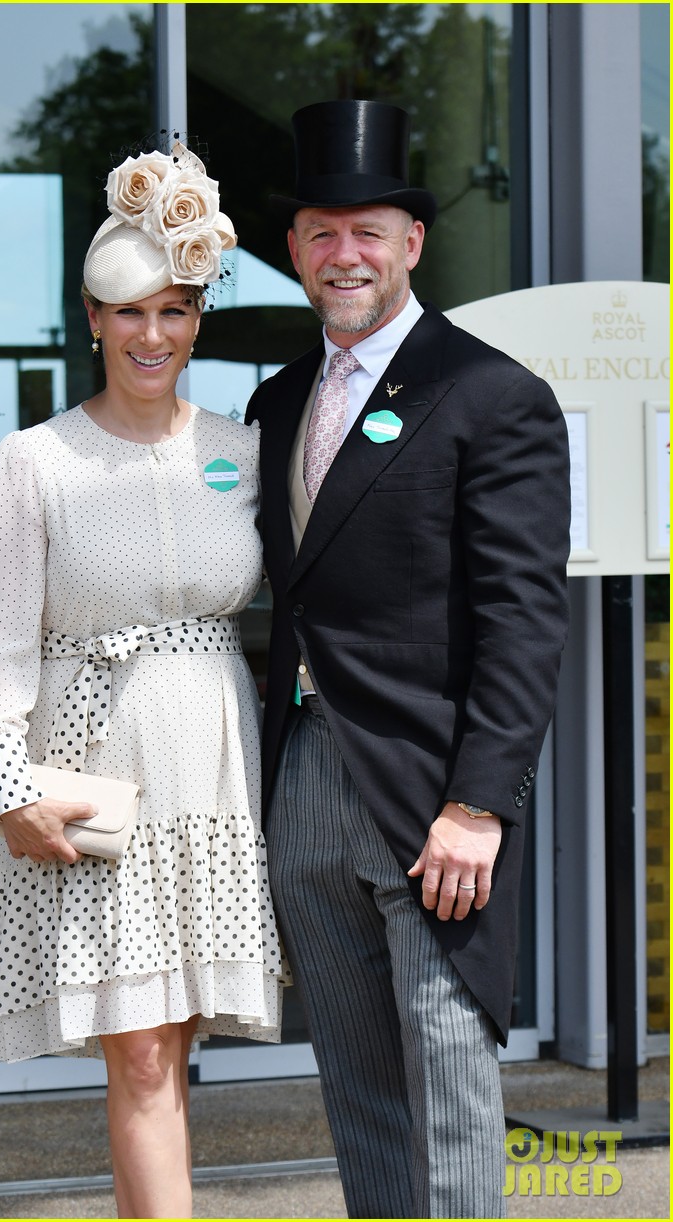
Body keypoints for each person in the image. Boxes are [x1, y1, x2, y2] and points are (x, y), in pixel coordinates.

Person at [246, 100, 571, 1219]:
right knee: (358, 1083)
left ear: (412, 243)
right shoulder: (277, 400)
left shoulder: (491, 395)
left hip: (432, 792)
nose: (345, 255)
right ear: (294, 248)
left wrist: (479, 803)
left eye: (368, 232)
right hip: (303, 781)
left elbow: (523, 617)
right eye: (321, 233)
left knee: (446, 1076)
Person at [0, 142, 283, 1220]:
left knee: (175, 1044)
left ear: (197, 320)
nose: (152, 335)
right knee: (137, 1052)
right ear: (91, 319)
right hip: (95, 770)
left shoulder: (243, 451)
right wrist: (11, 784)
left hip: (214, 768)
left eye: (174, 311)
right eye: (129, 312)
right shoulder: (33, 460)